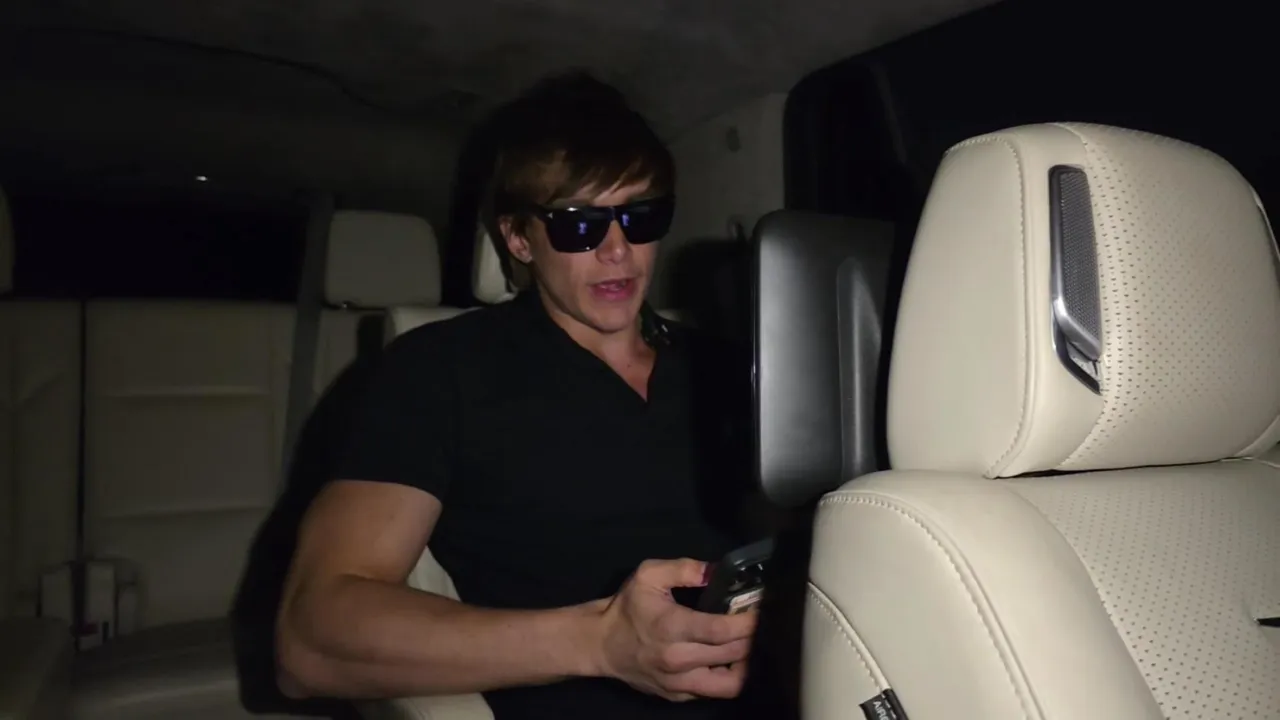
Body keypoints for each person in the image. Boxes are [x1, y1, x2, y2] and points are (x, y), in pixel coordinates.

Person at [274, 71, 762, 719]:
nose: (618, 250)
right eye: (578, 225)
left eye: (641, 216)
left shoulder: (729, 366)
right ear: (517, 238)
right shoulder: (438, 370)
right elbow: (309, 639)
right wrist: (600, 642)